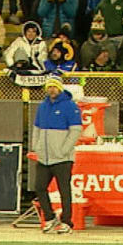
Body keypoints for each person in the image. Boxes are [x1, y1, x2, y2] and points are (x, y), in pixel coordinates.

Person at [32, 73, 81, 233]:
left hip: (62, 158)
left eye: (54, 87)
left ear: (60, 88)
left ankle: (67, 222)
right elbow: (37, 129)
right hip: (44, 157)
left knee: (64, 191)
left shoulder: (70, 106)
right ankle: (50, 217)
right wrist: (36, 147)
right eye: (49, 87)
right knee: (39, 187)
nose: (51, 90)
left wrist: (64, 150)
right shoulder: (43, 106)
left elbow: (75, 131)